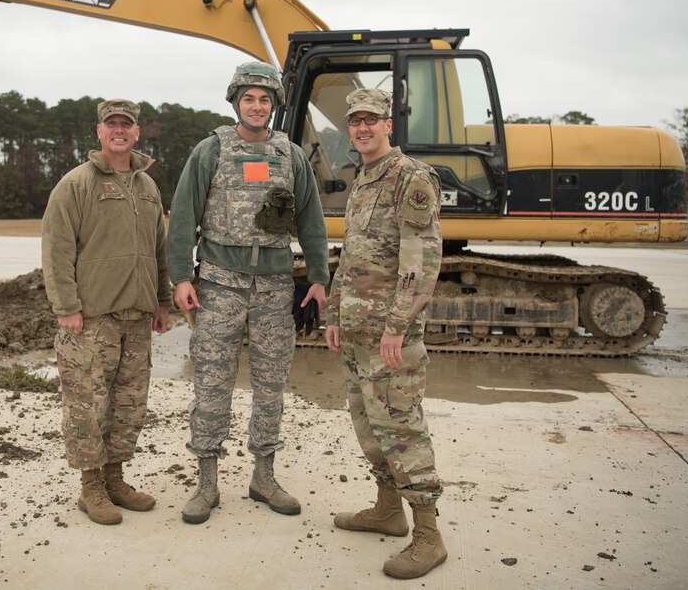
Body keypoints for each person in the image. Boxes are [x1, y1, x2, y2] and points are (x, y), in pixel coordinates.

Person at [167, 61, 329, 524]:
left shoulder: (290, 155)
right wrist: (181, 277)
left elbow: (312, 223)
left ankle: (264, 475)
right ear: (236, 102)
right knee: (212, 382)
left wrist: (318, 277)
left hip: (276, 288)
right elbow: (182, 217)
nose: (256, 107)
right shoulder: (210, 151)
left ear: (275, 106)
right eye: (249, 99)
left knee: (271, 384)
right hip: (219, 284)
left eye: (264, 99)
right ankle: (207, 483)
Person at [322, 87, 447, 579]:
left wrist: (398, 326)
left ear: (387, 123)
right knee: (370, 429)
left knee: (401, 429)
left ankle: (429, 536)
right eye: (355, 120)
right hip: (356, 331)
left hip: (389, 337)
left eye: (371, 119)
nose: (362, 128)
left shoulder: (410, 178)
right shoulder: (364, 180)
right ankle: (388, 511)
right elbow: (350, 257)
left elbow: (423, 259)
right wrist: (333, 314)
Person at [41, 98, 171, 526]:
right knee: (87, 404)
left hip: (137, 318)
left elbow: (159, 251)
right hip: (91, 319)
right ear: (99, 132)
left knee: (128, 405)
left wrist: (162, 301)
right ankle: (91, 487)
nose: (119, 130)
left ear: (137, 133)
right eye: (111, 124)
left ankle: (115, 478)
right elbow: (57, 249)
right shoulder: (76, 184)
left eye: (127, 125)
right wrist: (66, 308)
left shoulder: (148, 188)